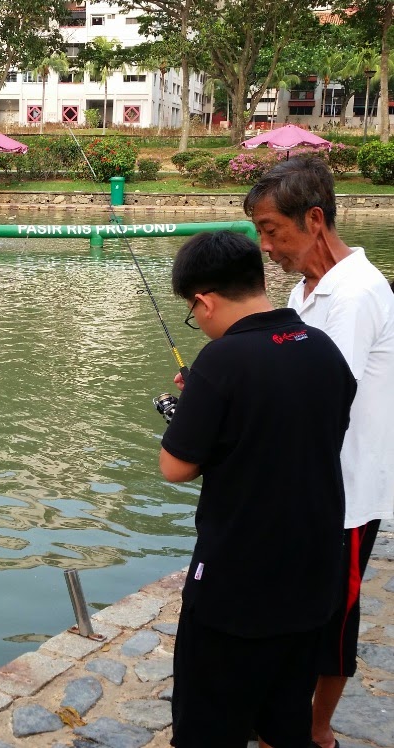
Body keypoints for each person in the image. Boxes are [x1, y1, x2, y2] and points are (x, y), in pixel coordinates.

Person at [159, 231, 356, 748]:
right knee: (284, 714)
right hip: (313, 576)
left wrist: (197, 408)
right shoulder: (323, 347)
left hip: (236, 586)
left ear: (203, 300)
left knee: (208, 723)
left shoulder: (220, 362)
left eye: (192, 312)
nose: (197, 323)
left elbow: (175, 467)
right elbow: (296, 429)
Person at [244, 158, 394, 748]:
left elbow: (323, 392)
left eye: (272, 229)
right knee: (293, 606)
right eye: (259, 231)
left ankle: (318, 729)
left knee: (334, 619)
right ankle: (280, 713)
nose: (265, 245)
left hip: (346, 493)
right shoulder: (306, 288)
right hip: (306, 484)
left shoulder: (355, 293)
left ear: (314, 219)